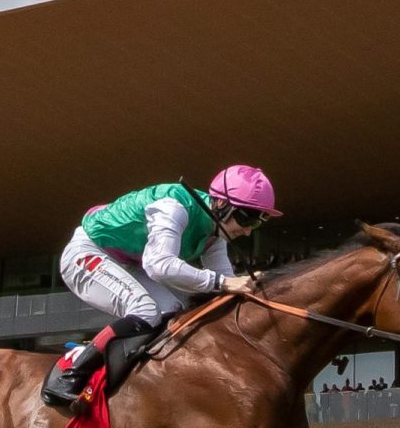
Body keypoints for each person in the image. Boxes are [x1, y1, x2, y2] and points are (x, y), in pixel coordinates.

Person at [41, 166, 280, 407]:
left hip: (129, 261)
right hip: (89, 251)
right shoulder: (174, 207)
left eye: (257, 223)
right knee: (145, 310)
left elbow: (226, 287)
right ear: (220, 203)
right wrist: (224, 282)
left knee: (171, 310)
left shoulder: (215, 234)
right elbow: (159, 265)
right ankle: (70, 374)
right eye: (246, 218)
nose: (248, 231)